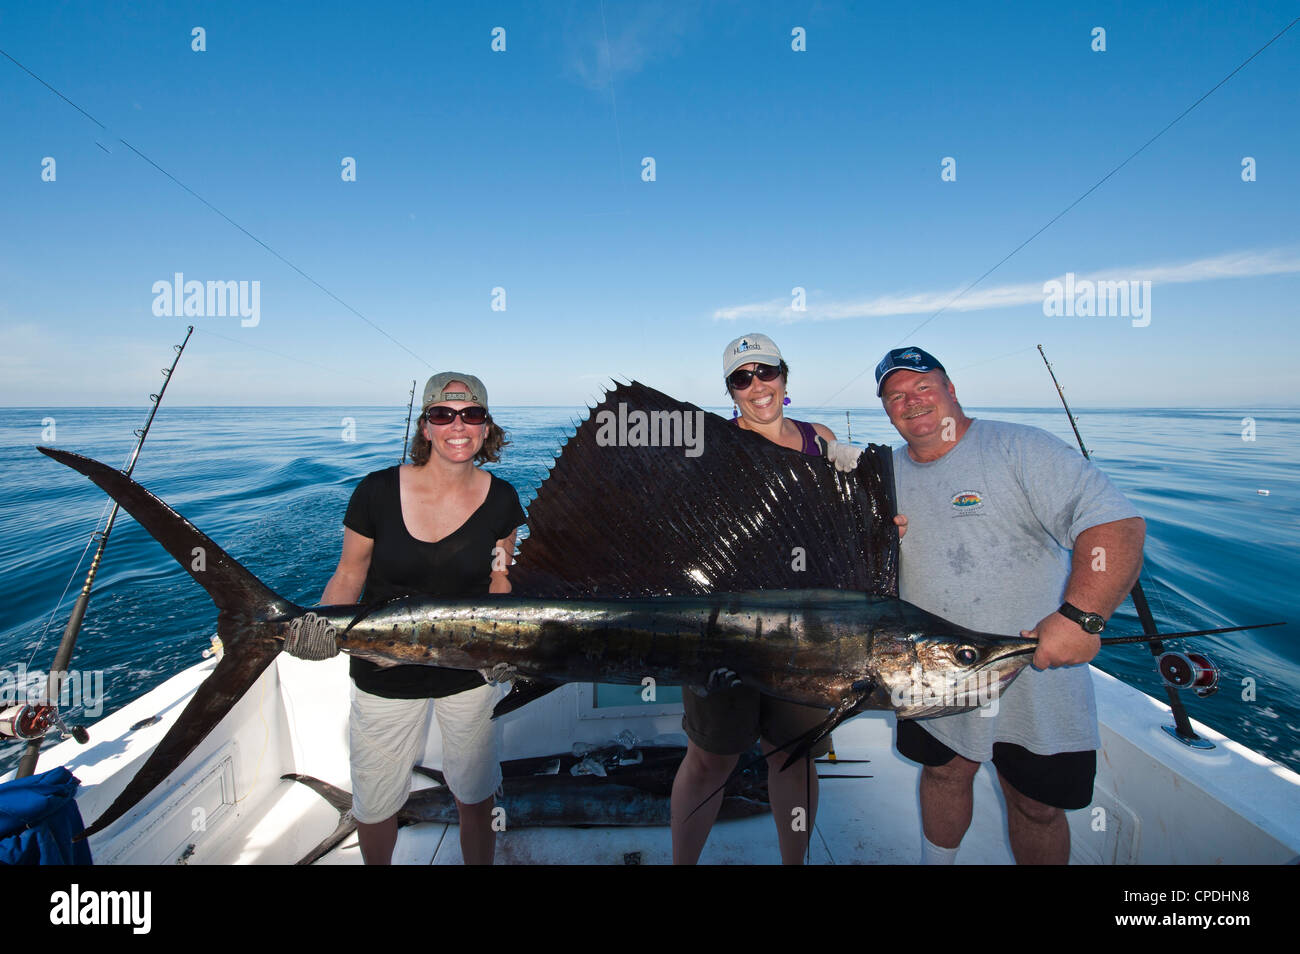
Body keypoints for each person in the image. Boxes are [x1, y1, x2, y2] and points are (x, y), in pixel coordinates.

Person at [830, 346, 1145, 865]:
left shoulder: (1021, 447)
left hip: (1031, 666)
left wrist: (1081, 617)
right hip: (925, 669)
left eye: (923, 387)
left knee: (1037, 806)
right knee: (943, 772)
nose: (911, 402)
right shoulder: (881, 474)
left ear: (951, 389)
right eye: (895, 396)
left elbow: (1116, 525)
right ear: (886, 410)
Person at [320, 372, 526, 865]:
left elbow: (501, 581)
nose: (459, 426)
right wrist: (321, 628)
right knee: (375, 805)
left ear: (486, 426)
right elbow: (349, 576)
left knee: (475, 796)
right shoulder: (375, 492)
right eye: (443, 415)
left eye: (471, 414)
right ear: (426, 427)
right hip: (383, 669)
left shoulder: (503, 499)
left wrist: (508, 651)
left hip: (470, 670)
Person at [669, 332, 839, 865]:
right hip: (723, 631)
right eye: (742, 379)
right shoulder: (708, 446)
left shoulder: (823, 440)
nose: (757, 386)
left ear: (785, 377)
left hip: (807, 633)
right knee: (709, 760)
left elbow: (843, 525)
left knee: (794, 757)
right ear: (731, 391)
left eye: (766, 372)